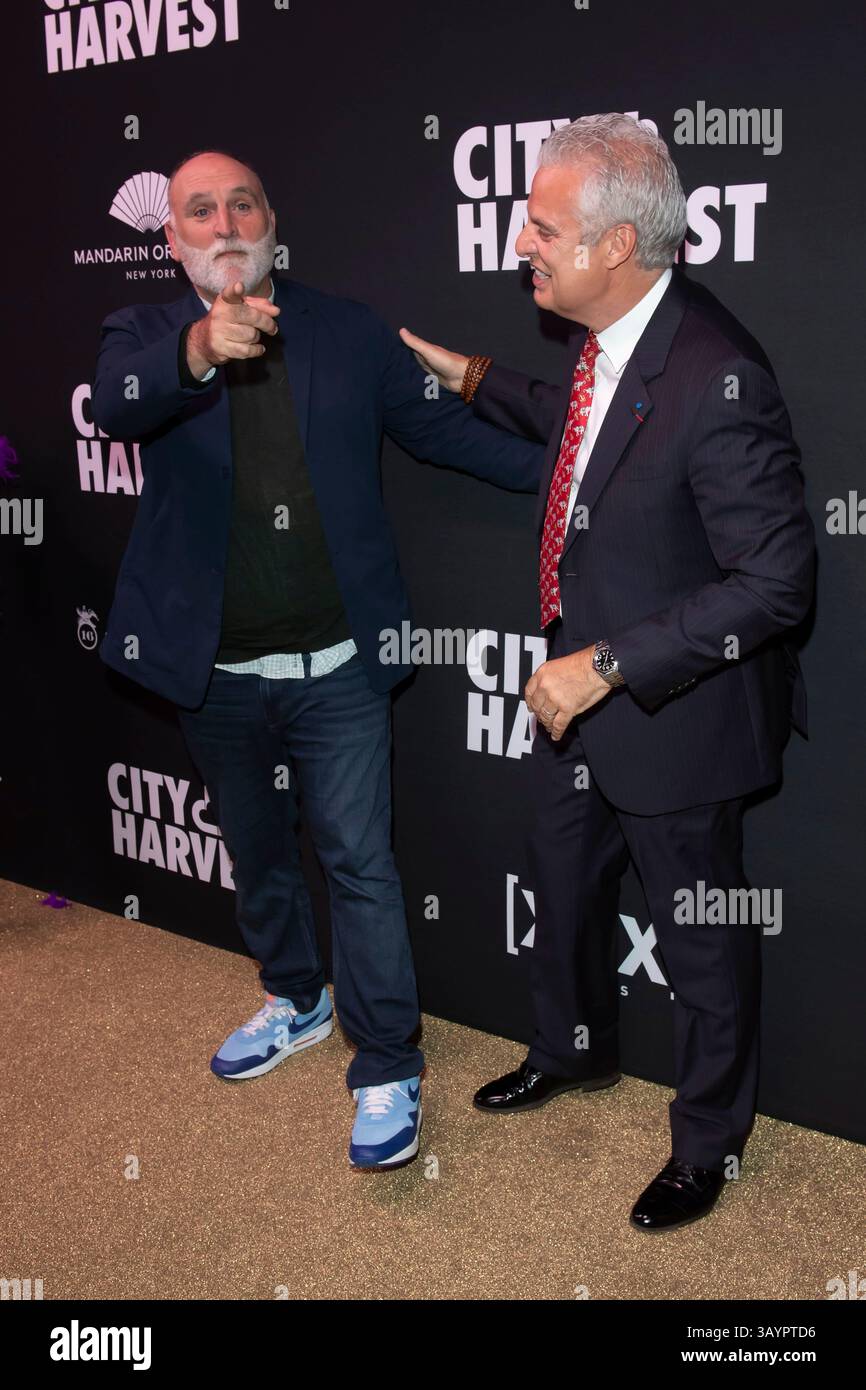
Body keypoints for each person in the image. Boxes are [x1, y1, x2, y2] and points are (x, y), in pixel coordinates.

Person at [401, 113, 815, 1229]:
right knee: (564, 881)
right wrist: (468, 372)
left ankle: (707, 1143)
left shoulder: (719, 375)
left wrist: (605, 665)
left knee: (699, 940)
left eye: (539, 226)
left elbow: (777, 582)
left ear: (614, 248)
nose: (517, 243)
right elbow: (571, 423)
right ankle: (572, 1049)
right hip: (579, 705)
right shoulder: (614, 337)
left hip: (673, 713)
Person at [91, 149, 543, 1171]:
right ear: (172, 239)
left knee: (361, 866)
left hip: (340, 664)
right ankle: (294, 998)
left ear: (270, 217)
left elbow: (449, 440)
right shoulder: (145, 335)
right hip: (214, 672)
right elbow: (117, 401)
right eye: (197, 211)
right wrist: (205, 344)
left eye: (240, 201)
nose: (222, 221)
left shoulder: (344, 329)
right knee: (256, 855)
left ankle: (385, 1059)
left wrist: (580, 472)